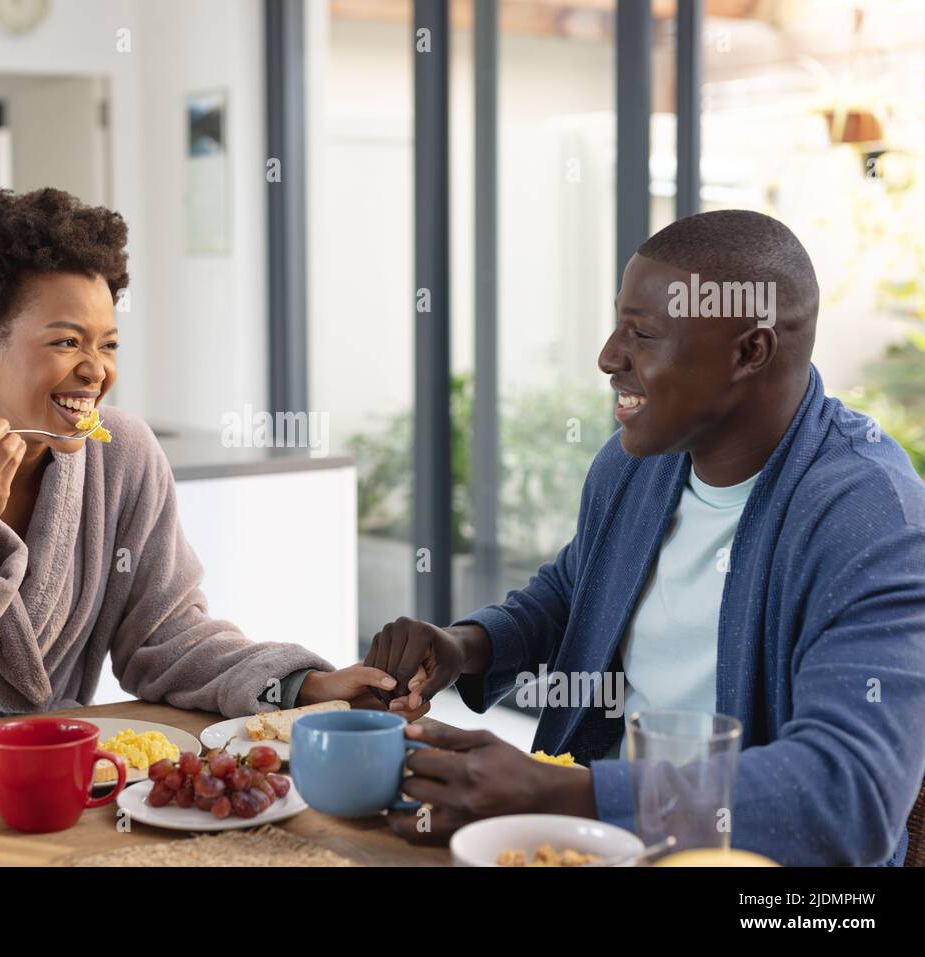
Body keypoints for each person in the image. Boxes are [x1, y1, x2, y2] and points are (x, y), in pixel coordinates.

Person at [367, 209, 925, 865]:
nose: (608, 355)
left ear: (750, 352)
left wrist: (558, 791)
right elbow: (578, 588)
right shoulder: (635, 462)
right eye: (617, 322)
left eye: (644, 333)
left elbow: (844, 795)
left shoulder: (874, 522)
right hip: (591, 845)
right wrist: (469, 643)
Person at [0, 187, 424, 739]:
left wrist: (305, 687)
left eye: (107, 343)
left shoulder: (124, 455)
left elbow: (168, 639)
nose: (96, 370)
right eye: (66, 342)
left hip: (67, 771)